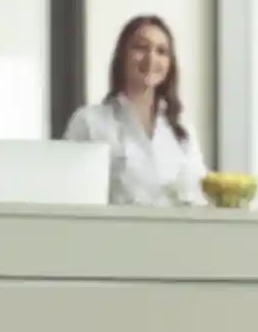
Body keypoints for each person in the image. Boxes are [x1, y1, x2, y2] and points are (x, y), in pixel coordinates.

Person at [64, 15, 208, 206]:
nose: (151, 58)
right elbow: (69, 195)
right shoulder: (89, 122)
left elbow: (200, 195)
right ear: (122, 56)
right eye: (141, 48)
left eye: (161, 51)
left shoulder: (182, 130)